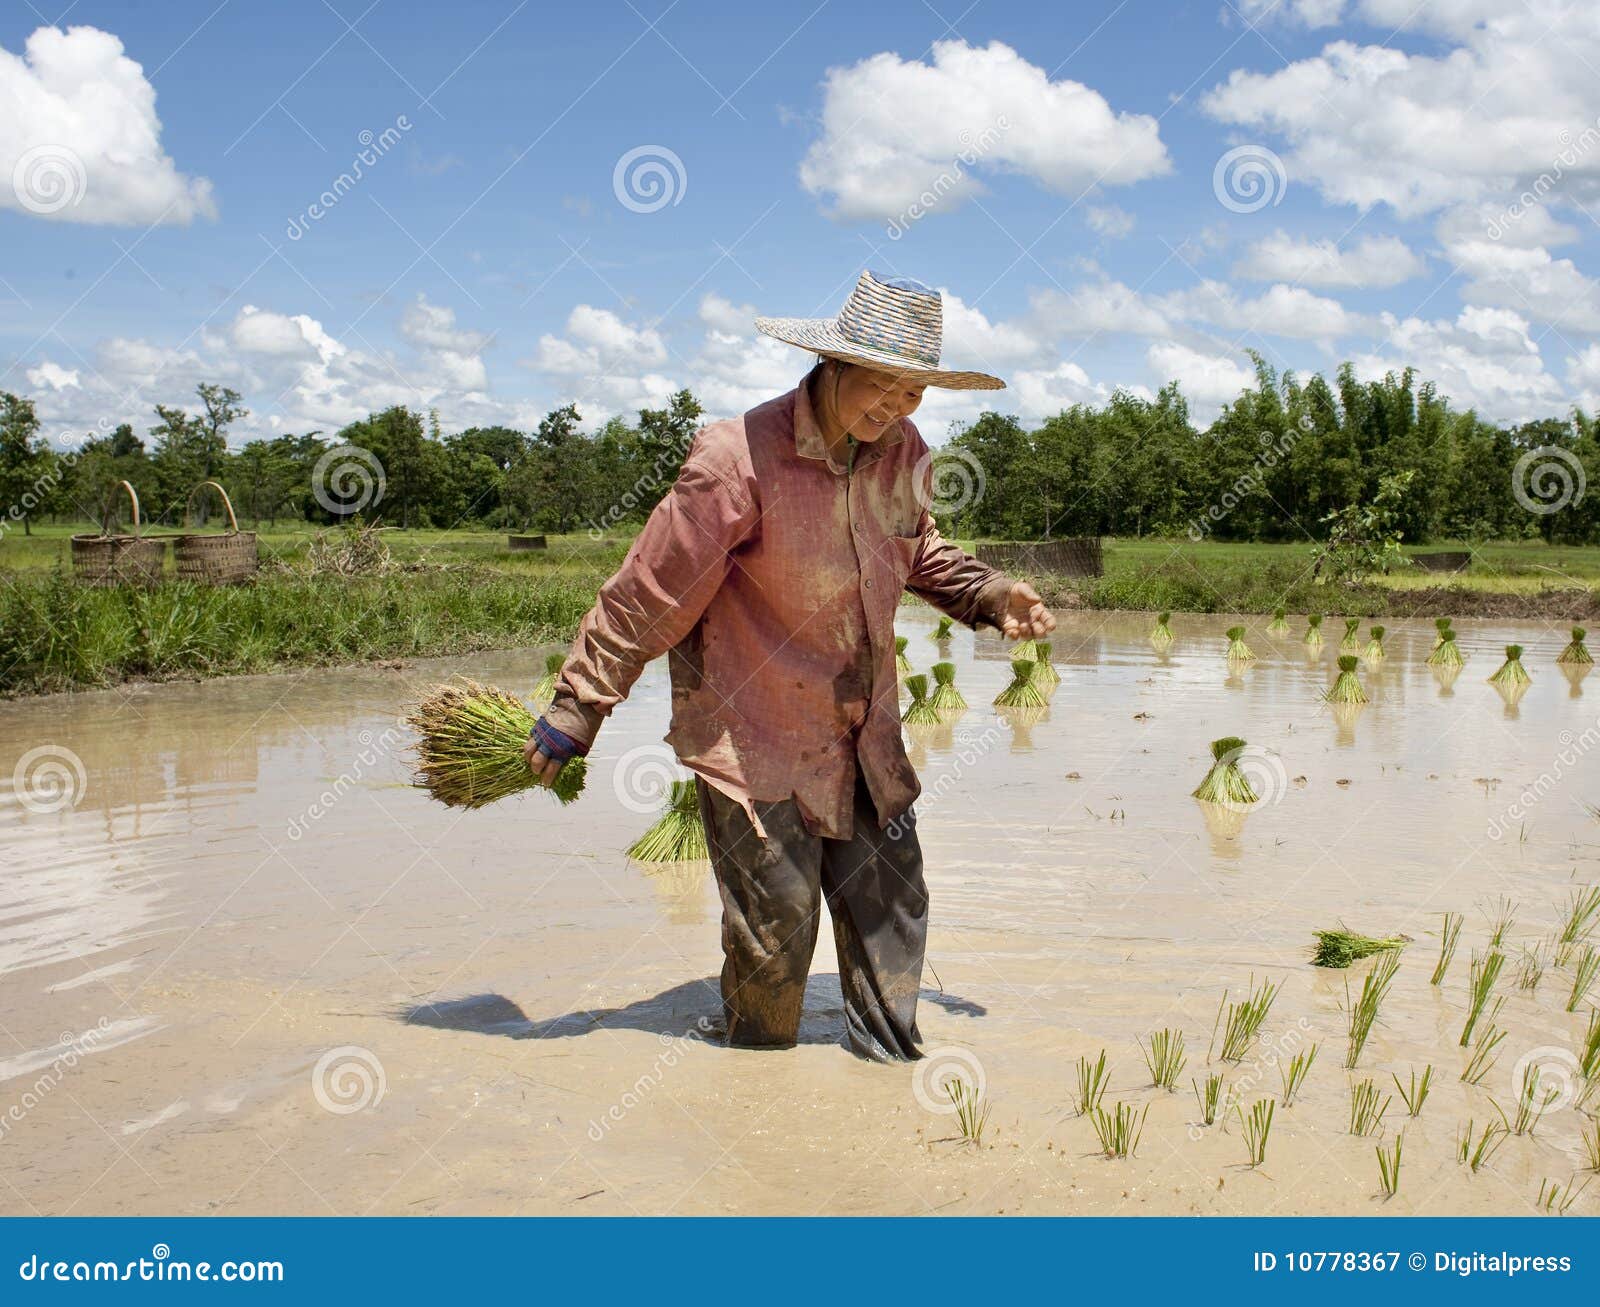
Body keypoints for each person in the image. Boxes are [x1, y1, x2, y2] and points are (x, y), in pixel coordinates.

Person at [523, 269, 1055, 1061]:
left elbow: (919, 549)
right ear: (831, 365)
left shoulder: (903, 451)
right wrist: (579, 705)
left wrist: (990, 592)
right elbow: (648, 591)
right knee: (777, 933)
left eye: (915, 392)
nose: (896, 408)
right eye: (884, 385)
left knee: (893, 905)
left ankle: (886, 1079)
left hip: (863, 734)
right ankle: (754, 1068)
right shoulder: (736, 459)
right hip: (756, 734)